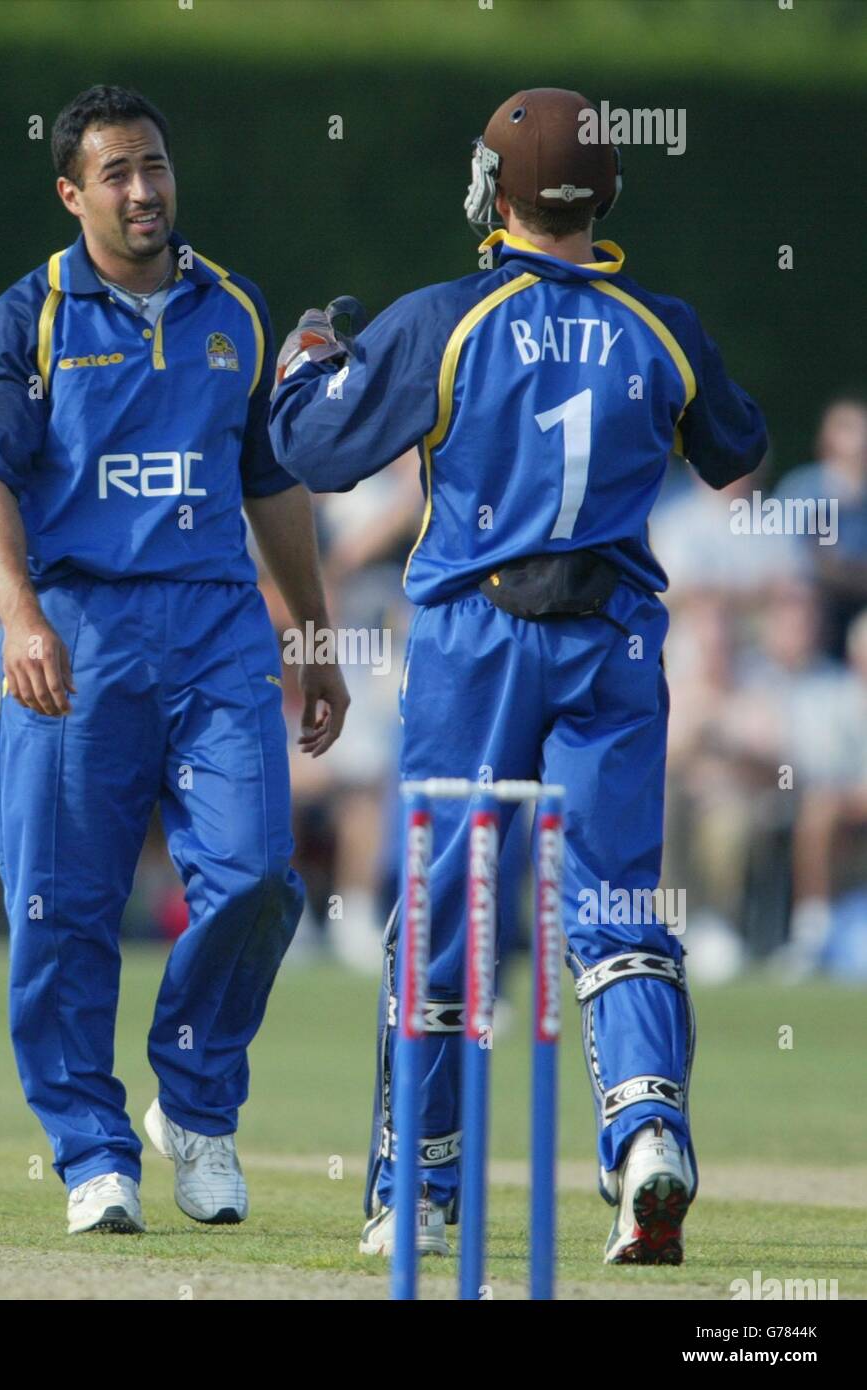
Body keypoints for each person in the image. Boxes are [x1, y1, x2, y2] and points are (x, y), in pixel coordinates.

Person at [269, 88, 767, 1266]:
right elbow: (736, 449)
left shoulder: (448, 316)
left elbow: (312, 447)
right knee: (613, 901)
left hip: (471, 643)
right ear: (606, 196)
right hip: (613, 645)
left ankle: (418, 1188)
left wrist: (306, 355)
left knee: (444, 905)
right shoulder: (662, 325)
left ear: (492, 192)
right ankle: (646, 1130)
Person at [0, 85, 348, 1236]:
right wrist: (19, 619)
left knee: (258, 874)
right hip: (79, 636)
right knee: (61, 907)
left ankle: (196, 1105)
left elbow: (272, 487)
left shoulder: (236, 313)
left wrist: (310, 636)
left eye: (153, 165)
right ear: (72, 193)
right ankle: (90, 1153)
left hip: (216, 631)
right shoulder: (28, 321)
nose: (143, 189)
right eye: (114, 173)